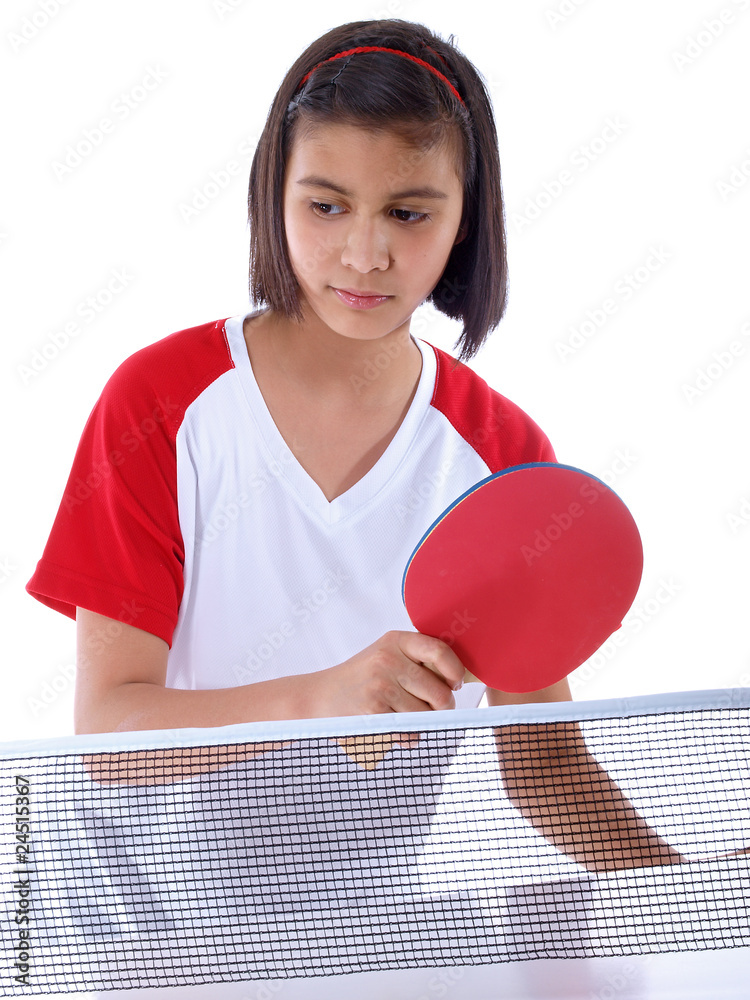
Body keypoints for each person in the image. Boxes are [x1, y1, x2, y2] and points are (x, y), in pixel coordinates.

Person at [26, 18, 732, 876]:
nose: (365, 254)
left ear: (465, 220)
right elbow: (109, 738)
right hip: (117, 924)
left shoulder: (503, 456)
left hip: (362, 926)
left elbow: (542, 762)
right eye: (325, 206)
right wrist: (322, 700)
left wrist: (698, 888)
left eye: (408, 212)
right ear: (273, 196)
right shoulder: (161, 404)